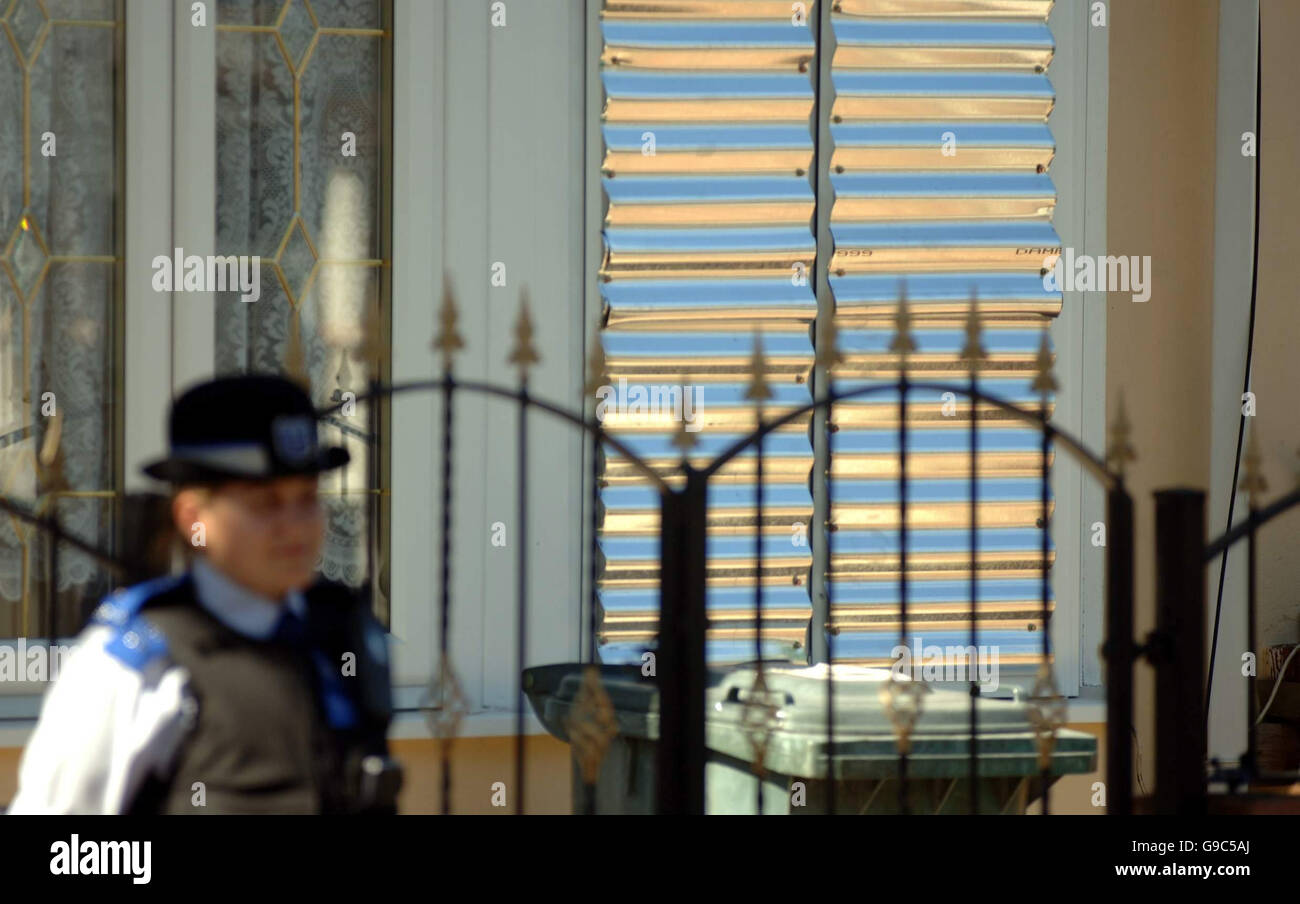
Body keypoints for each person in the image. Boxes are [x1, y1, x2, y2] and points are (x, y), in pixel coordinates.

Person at [7, 375, 401, 814]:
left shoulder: (339, 633)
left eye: (307, 497)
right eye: (265, 502)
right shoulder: (138, 664)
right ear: (193, 517)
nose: (295, 524)